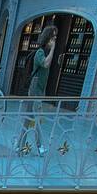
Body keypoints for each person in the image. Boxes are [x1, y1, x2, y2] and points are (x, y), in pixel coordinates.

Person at [23, 24, 57, 154]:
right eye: (52, 38)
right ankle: (39, 146)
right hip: (35, 87)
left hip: (39, 88)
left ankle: (20, 144)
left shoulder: (44, 52)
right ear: (47, 38)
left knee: (29, 118)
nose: (54, 40)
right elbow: (46, 64)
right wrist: (53, 48)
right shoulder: (40, 52)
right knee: (37, 117)